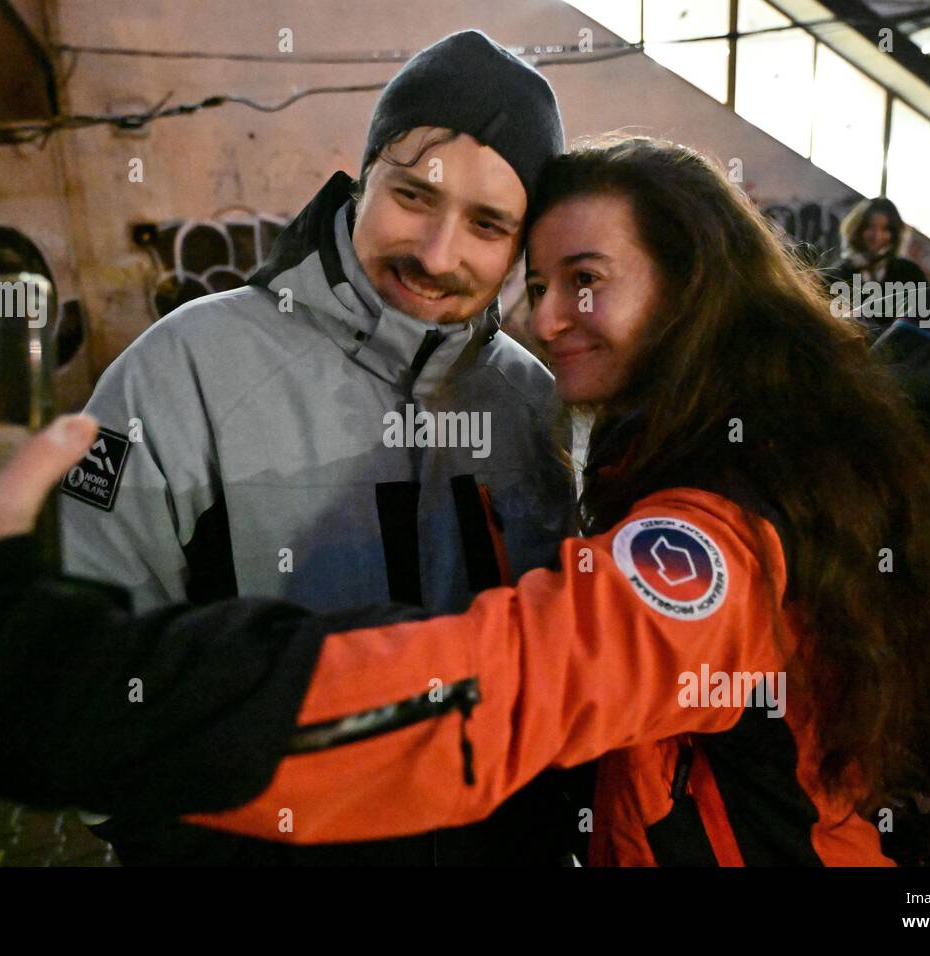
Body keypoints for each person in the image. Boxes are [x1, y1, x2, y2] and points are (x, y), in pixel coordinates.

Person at [0, 136, 930, 865]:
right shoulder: (187, 357)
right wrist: (143, 798)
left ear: (694, 285)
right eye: (537, 284)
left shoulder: (683, 505)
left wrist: (19, 665)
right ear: (365, 180)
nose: (543, 315)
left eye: (574, 275)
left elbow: (505, 683)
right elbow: (108, 523)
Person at [55, 30, 575, 864]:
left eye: (487, 224)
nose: (437, 255)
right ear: (361, 177)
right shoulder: (182, 369)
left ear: (521, 244)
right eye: (413, 196)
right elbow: (79, 641)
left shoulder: (533, 403)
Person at [826, 197, 929, 337]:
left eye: (886, 229)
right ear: (856, 230)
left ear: (895, 234)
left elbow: (927, 319)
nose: (877, 236)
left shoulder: (910, 273)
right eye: (870, 227)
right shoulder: (836, 275)